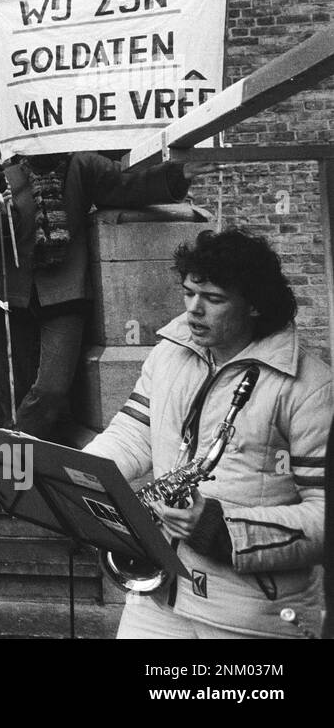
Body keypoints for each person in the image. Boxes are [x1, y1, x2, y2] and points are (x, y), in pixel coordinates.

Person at [86, 228, 330, 639]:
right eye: (188, 293)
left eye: (213, 299)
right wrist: (77, 474)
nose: (193, 311)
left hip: (253, 616)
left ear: (254, 305)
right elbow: (133, 432)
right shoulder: (168, 353)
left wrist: (221, 529)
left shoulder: (312, 387)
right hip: (160, 596)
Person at [0, 150, 212, 439]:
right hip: (16, 294)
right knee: (16, 388)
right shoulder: (5, 174)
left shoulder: (80, 164)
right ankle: (19, 465)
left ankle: (8, 448)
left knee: (51, 388)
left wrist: (177, 174)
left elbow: (124, 183)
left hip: (66, 290)